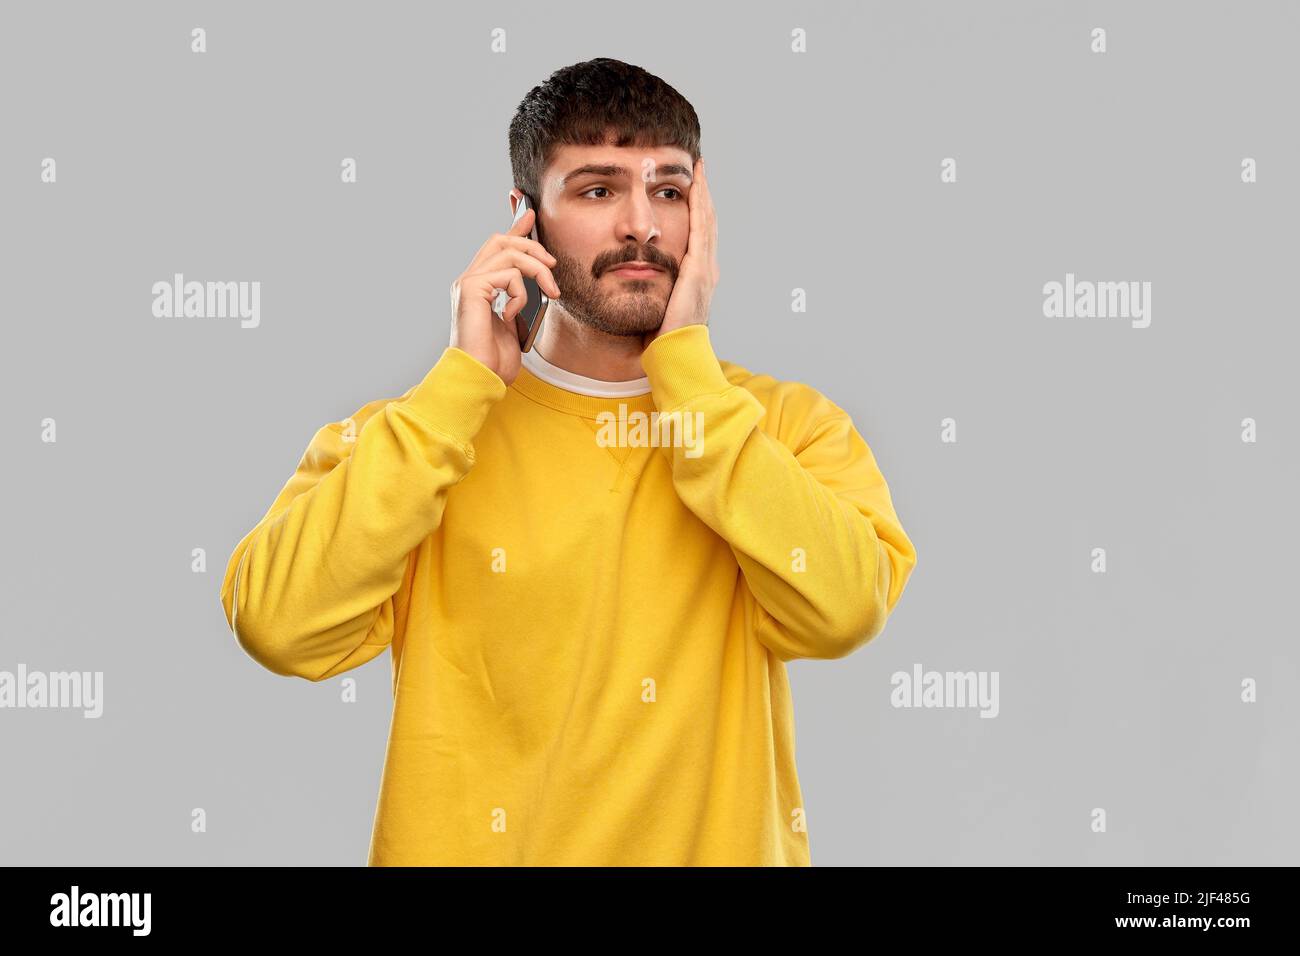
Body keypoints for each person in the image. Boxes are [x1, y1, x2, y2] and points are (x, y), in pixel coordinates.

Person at [219, 57, 917, 866]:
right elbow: (277, 627)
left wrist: (687, 374)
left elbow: (846, 609)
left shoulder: (786, 428)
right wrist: (459, 389)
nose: (641, 226)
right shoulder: (424, 438)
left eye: (668, 190)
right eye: (597, 189)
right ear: (525, 219)